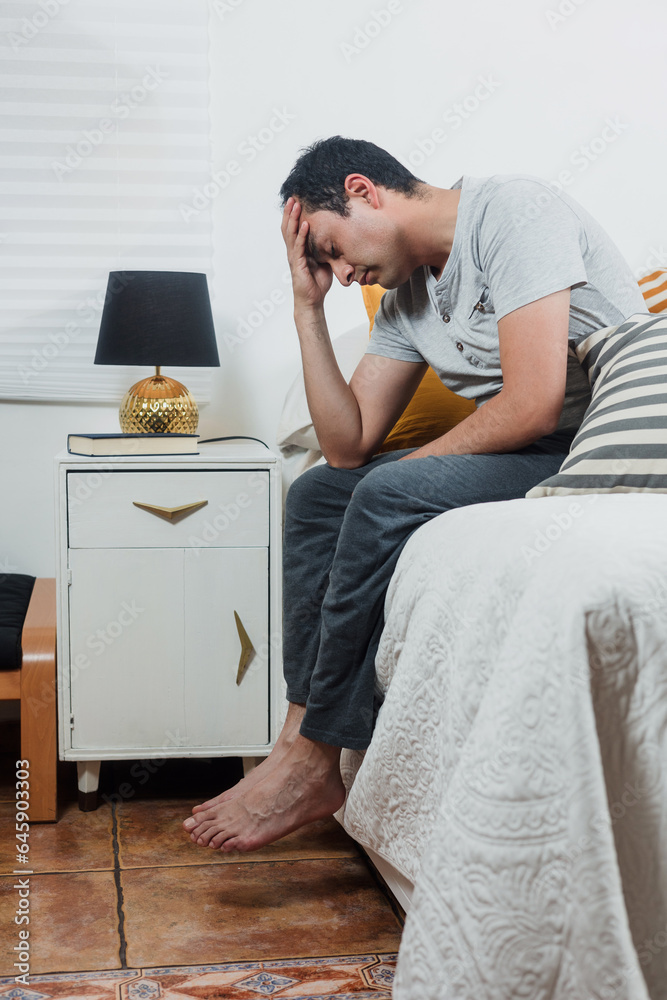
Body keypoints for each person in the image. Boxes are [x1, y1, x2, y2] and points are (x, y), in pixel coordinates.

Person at [183, 136, 645, 852]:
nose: (339, 274)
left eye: (333, 250)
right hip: (530, 448)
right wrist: (304, 308)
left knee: (383, 491)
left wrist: (395, 479)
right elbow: (346, 445)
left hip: (590, 445)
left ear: (365, 191)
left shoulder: (513, 211)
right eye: (325, 267)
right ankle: (294, 732)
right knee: (316, 494)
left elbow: (531, 404)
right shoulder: (405, 297)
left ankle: (315, 756)